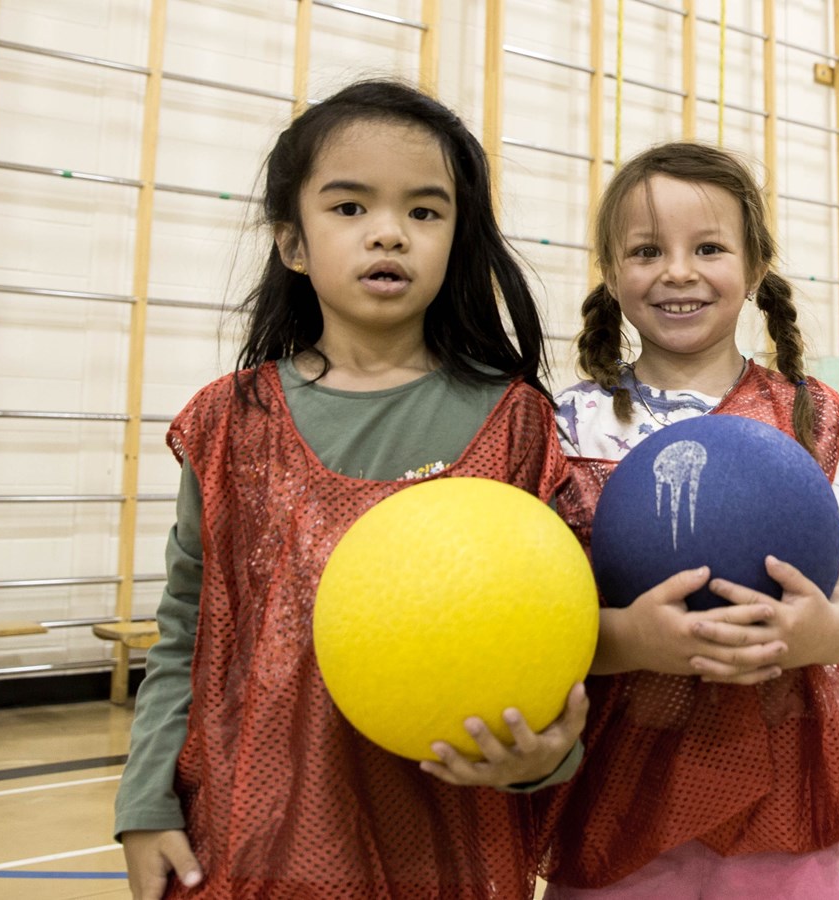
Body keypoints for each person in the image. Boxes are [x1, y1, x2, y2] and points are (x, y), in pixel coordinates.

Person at [114, 79, 588, 900]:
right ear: (292, 243)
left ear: (457, 239)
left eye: (425, 212)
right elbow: (185, 629)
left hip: (445, 837)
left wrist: (548, 756)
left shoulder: (517, 423)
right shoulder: (231, 423)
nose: (389, 234)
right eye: (349, 208)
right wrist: (145, 801)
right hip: (258, 834)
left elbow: (565, 622)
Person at [543, 142, 839, 899]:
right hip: (617, 793)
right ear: (609, 269)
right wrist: (632, 639)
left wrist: (812, 634)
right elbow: (547, 622)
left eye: (708, 247)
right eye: (646, 250)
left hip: (784, 795)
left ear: (756, 266)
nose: (678, 271)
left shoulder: (811, 415)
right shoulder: (569, 424)